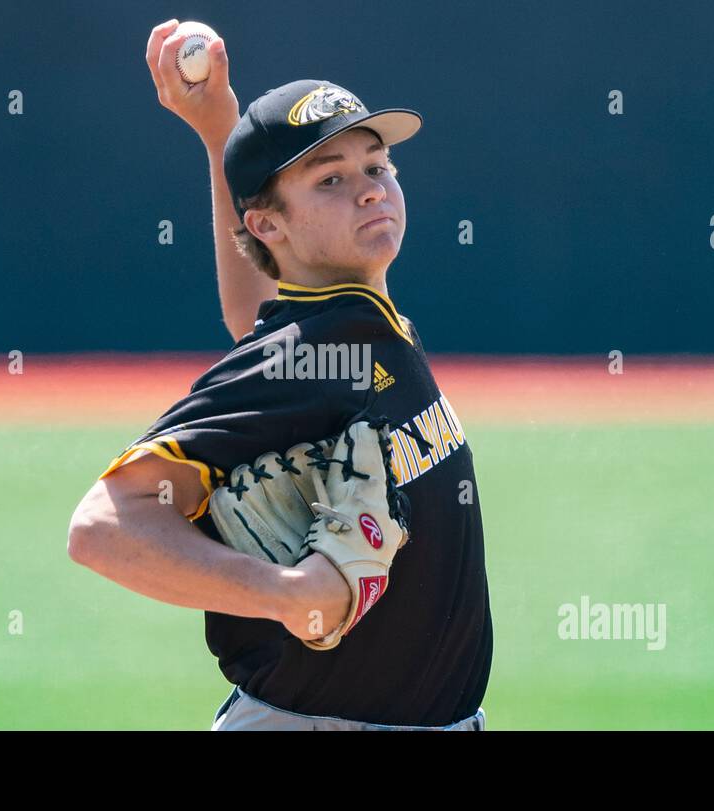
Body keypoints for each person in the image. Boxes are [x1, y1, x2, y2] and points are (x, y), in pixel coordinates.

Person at [66, 19, 492, 730]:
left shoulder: (348, 326)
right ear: (266, 226)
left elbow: (254, 318)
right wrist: (290, 593)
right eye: (331, 179)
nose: (369, 190)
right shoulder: (315, 350)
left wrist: (217, 131)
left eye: (377, 165)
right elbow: (102, 526)